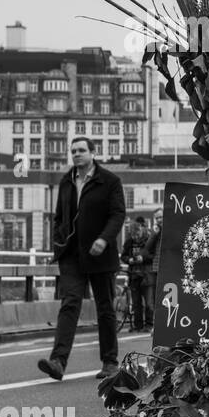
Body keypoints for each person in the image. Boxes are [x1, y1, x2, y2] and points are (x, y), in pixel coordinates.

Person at [38, 136, 125, 381]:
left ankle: (110, 362)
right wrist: (58, 241)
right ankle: (58, 361)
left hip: (100, 255)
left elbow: (118, 214)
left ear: (92, 153)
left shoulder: (109, 181)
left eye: (81, 150)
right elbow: (58, 218)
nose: (76, 154)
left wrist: (104, 239)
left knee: (105, 307)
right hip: (72, 255)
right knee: (69, 304)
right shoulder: (66, 181)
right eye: (73, 151)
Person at [120, 216, 152, 331]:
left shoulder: (149, 239)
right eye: (133, 236)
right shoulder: (129, 241)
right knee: (136, 303)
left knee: (149, 302)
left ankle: (149, 325)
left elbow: (154, 256)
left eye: (137, 235)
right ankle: (138, 326)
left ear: (141, 230)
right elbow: (123, 256)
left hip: (147, 275)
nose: (135, 238)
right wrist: (129, 260)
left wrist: (143, 259)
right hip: (134, 275)